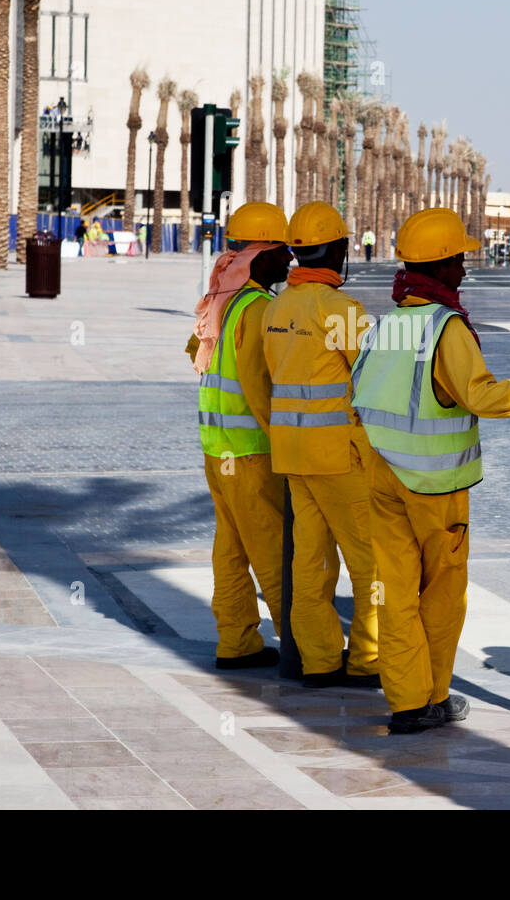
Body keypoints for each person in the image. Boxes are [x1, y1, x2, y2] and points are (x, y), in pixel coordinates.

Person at [352, 209, 510, 734]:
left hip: (383, 478)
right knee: (442, 596)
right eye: (459, 259)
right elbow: (481, 397)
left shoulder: (385, 325)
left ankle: (404, 702)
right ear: (441, 264)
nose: (465, 270)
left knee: (397, 593)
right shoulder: (445, 327)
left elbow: (359, 399)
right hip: (433, 488)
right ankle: (431, 697)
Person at [262, 201, 380, 689]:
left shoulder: (275, 309)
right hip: (339, 457)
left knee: (308, 566)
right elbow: (376, 382)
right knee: (370, 561)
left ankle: (319, 662)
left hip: (292, 455)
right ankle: (369, 661)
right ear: (337, 251)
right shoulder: (341, 311)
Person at [189, 202, 294, 670]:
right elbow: (257, 386)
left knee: (230, 551)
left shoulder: (221, 302)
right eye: (282, 251)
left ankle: (237, 641)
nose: (290, 261)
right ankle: (304, 648)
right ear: (260, 255)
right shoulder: (258, 308)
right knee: (272, 549)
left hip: (217, 450)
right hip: (251, 453)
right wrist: (290, 446)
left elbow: (197, 357)